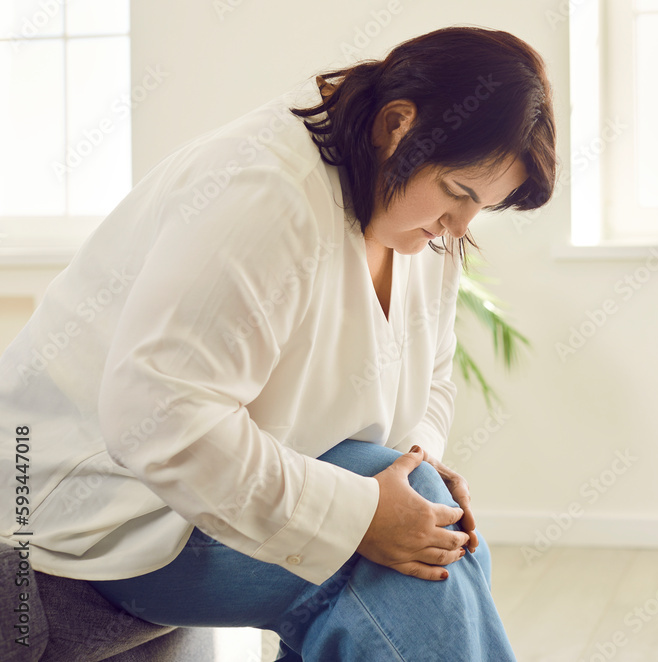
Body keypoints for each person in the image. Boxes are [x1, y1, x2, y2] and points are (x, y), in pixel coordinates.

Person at [0, 25, 556, 660]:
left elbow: (434, 377)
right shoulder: (264, 191)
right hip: (104, 509)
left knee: (430, 523)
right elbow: (158, 416)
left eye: (481, 208)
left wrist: (409, 473)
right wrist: (363, 514)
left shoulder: (424, 230)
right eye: (458, 193)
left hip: (219, 495)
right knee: (400, 562)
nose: (459, 226)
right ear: (397, 125)